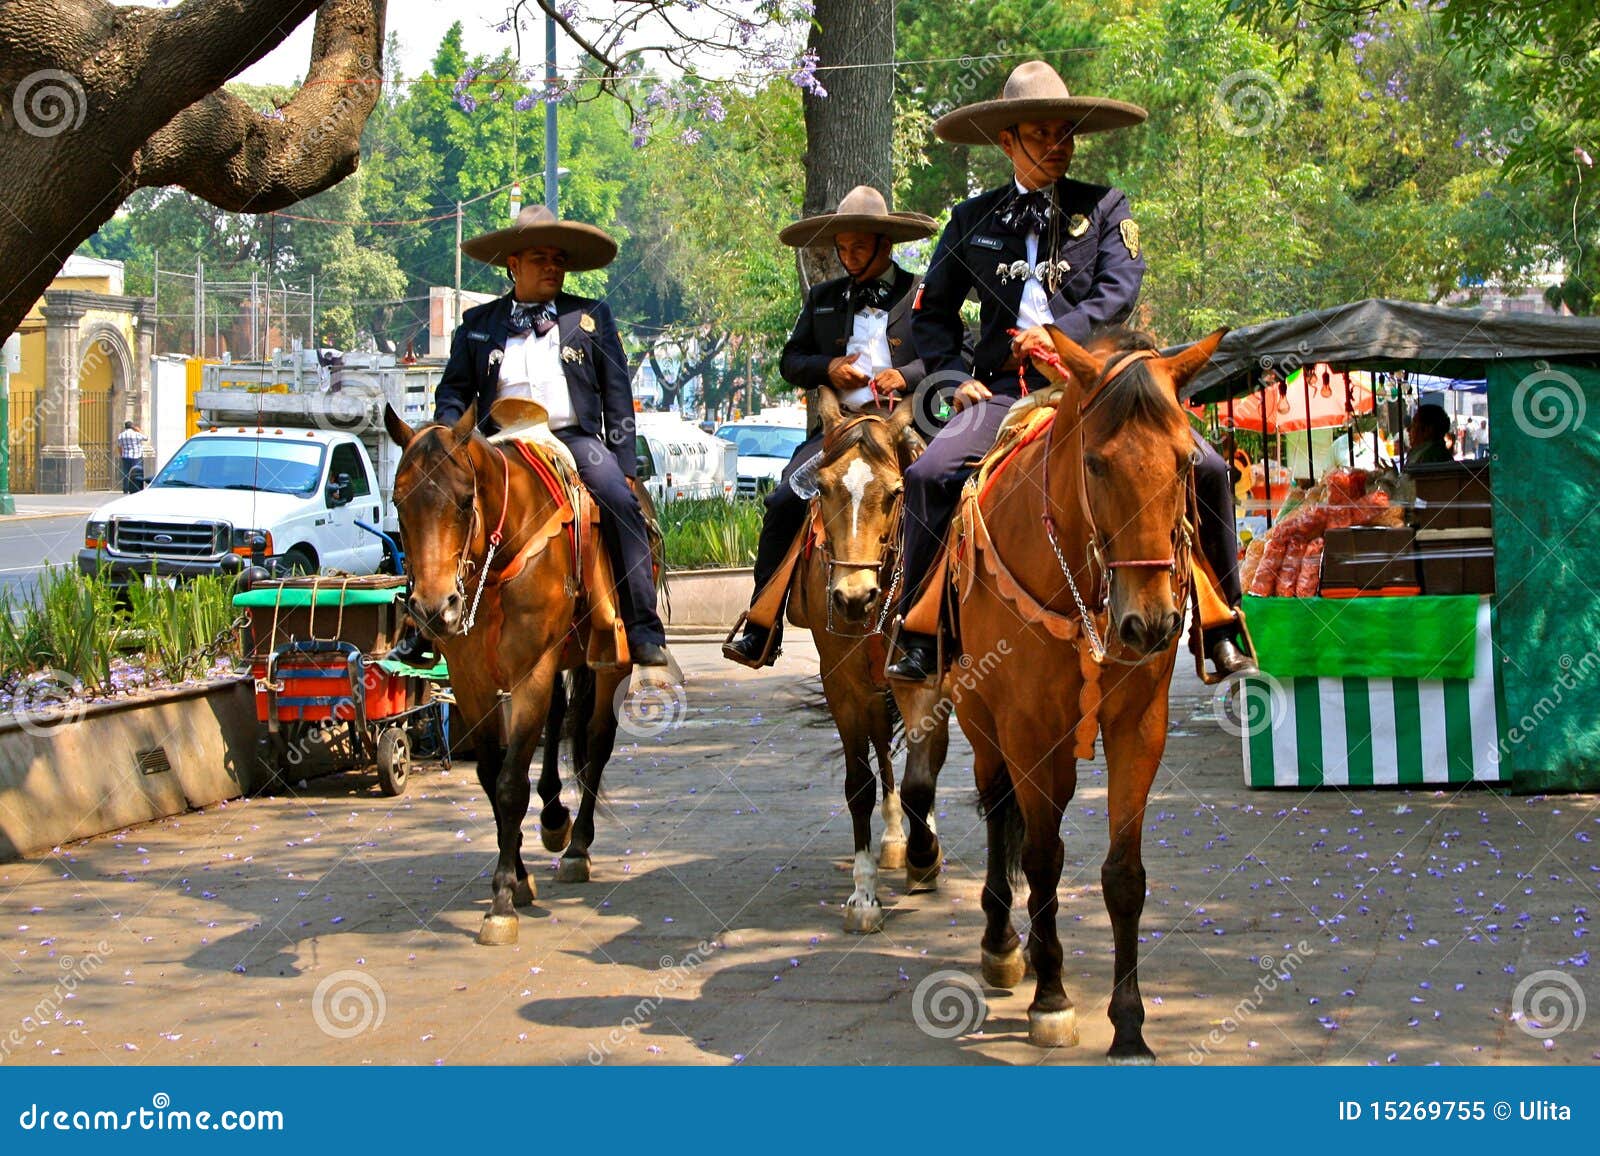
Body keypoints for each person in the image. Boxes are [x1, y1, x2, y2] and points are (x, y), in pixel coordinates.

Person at [887, 59, 1256, 680]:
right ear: (1007, 142)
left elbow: (1119, 291)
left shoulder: (1107, 206)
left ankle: (1223, 620)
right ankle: (921, 632)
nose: (1058, 147)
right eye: (1041, 135)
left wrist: (1061, 335)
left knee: (1210, 467)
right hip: (1004, 392)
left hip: (1102, 387)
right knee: (929, 474)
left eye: (1066, 133)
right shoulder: (969, 220)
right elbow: (932, 315)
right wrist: (952, 378)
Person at [387, 205, 670, 668]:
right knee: (432, 501)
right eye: (540, 259)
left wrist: (624, 465)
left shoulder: (591, 317)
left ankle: (642, 628)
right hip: (495, 440)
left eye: (558, 260)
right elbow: (455, 392)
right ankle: (420, 625)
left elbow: (618, 395)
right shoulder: (479, 325)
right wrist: (446, 442)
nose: (552, 268)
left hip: (570, 437)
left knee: (620, 501)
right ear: (512, 265)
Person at [722, 186, 940, 667]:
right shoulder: (822, 298)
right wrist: (828, 368)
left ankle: (946, 617)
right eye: (841, 248)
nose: (848, 256)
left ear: (885, 244)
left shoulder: (921, 293)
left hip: (903, 430)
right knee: (783, 500)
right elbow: (790, 361)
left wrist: (905, 376)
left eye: (858, 247)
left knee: (943, 491)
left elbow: (956, 354)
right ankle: (763, 623)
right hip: (838, 433)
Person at [1406, 402, 1454, 466]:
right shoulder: (1433, 452)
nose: (1408, 429)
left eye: (1414, 424)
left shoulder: (1429, 457)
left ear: (1428, 430)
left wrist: (1391, 472)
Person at [117, 420, 148, 493]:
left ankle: (125, 488)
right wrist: (139, 430)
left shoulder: (121, 435)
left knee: (125, 473)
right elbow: (146, 438)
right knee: (136, 473)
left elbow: (119, 446)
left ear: (125, 427)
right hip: (136, 456)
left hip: (126, 456)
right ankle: (135, 487)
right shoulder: (136, 434)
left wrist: (122, 454)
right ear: (132, 426)